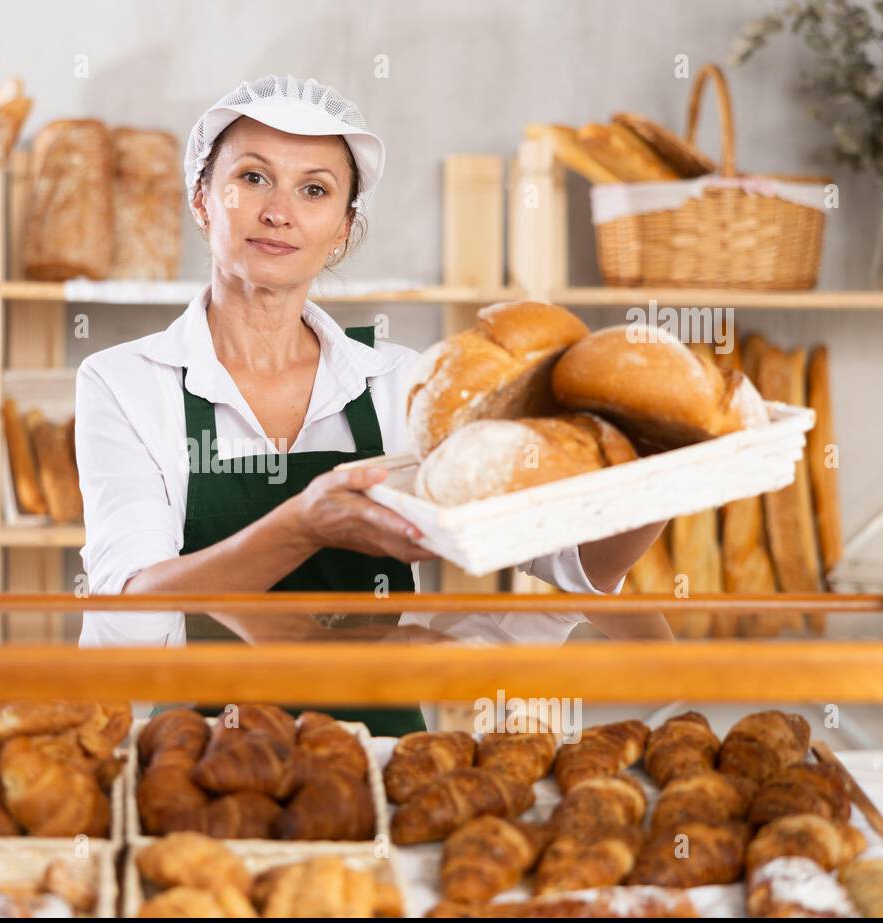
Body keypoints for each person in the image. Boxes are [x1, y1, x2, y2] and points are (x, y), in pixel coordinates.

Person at [75, 74, 665, 734]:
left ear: (343, 230)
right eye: (252, 177)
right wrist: (306, 523)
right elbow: (130, 605)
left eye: (315, 189)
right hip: (191, 759)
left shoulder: (400, 383)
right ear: (202, 200)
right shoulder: (125, 381)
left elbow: (577, 561)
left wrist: (664, 464)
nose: (279, 211)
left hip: (381, 760)